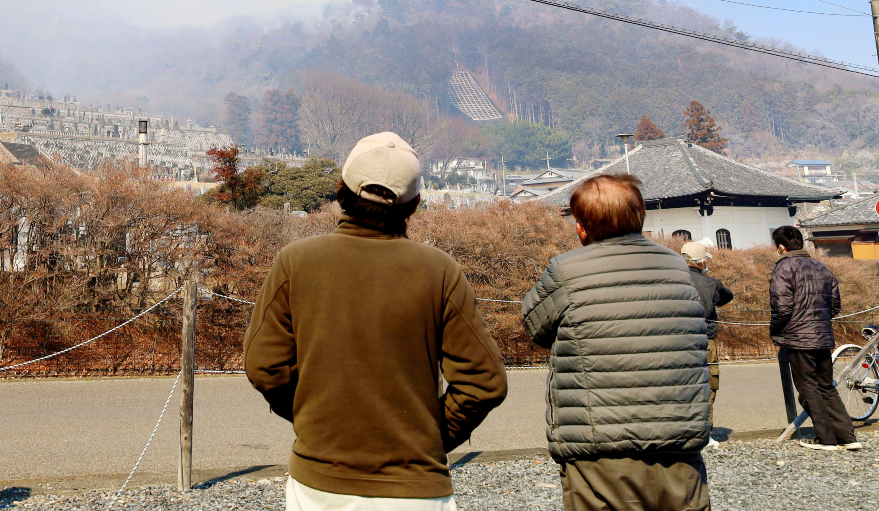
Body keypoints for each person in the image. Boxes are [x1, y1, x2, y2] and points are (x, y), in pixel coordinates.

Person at [244, 132, 507, 511]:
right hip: (417, 488)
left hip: (320, 482)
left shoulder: (296, 262)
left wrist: (311, 417)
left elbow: (264, 366)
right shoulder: (440, 272)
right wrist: (430, 435)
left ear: (341, 190)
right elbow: (485, 382)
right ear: (413, 204)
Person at [522, 174, 711, 511]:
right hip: (679, 443)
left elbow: (536, 327)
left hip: (599, 448)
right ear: (640, 218)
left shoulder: (567, 271)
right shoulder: (678, 267)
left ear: (581, 227)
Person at [768, 225, 860, 451]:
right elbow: (835, 305)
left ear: (781, 247)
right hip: (823, 335)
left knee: (808, 388)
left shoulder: (783, 268)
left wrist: (776, 330)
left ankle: (825, 438)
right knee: (826, 387)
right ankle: (848, 437)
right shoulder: (822, 267)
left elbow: (782, 307)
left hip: (798, 337)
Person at [680, 240, 734, 447]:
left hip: (678, 342)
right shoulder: (711, 283)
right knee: (709, 386)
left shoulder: (671, 281)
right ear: (702, 262)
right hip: (705, 340)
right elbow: (726, 296)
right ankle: (705, 433)